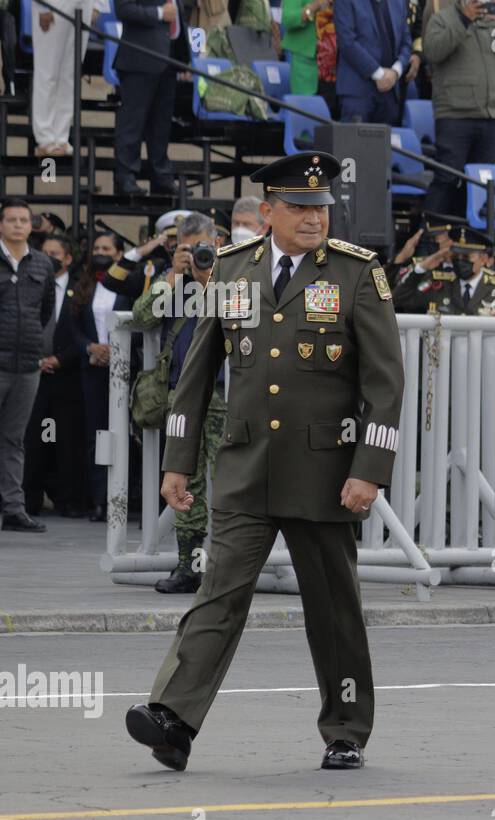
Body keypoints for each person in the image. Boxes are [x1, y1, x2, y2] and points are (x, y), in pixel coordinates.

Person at [124, 152, 405, 772]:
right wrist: (178, 460)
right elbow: (196, 375)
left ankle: (346, 729)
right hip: (246, 464)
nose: (314, 217)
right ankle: (173, 717)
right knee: (217, 594)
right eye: (300, 207)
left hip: (326, 473)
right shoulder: (231, 270)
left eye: (322, 207)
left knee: (332, 609)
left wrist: (369, 470)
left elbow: (385, 386)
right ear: (268, 211)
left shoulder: (358, 275)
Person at [129, 213, 228, 594]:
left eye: (204, 246)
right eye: (189, 249)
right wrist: (173, 276)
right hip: (181, 393)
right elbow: (142, 317)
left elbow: (244, 315)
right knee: (185, 482)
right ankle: (190, 567)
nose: (198, 254)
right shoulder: (171, 281)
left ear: (217, 242)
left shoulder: (237, 272)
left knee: (231, 481)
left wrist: (209, 279)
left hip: (224, 393)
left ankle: (230, 566)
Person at [423, 0, 495, 216]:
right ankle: (430, 238)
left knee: (479, 182)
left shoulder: (494, 25)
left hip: (491, 116)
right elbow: (433, 51)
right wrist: (464, 20)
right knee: (447, 179)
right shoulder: (443, 19)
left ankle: (466, 241)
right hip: (455, 116)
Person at [0, 199, 57, 532]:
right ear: (2, 224)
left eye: (24, 219)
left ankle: (13, 508)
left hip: (26, 366)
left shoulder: (42, 264)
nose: (19, 225)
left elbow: (45, 311)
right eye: (11, 219)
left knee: (13, 438)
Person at [70, 232, 134, 523]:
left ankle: (126, 498)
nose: (100, 252)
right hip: (93, 368)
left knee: (124, 434)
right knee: (97, 435)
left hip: (125, 369)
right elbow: (72, 326)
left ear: (119, 254)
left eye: (106, 248)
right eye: (96, 248)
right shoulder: (84, 286)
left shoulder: (130, 285)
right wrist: (90, 347)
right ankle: (99, 500)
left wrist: (116, 349)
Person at [22, 234, 84, 519]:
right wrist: (37, 359)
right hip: (34, 372)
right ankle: (29, 499)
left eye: (55, 253)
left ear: (68, 258)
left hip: (68, 375)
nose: (49, 257)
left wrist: (61, 358)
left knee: (67, 440)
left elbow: (86, 332)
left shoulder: (80, 288)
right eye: (44, 252)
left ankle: (69, 499)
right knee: (33, 439)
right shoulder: (30, 284)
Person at [113, 0, 188, 197]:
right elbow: (123, 9)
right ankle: (126, 177)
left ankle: (162, 176)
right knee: (132, 121)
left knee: (161, 124)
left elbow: (178, 14)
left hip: (169, 58)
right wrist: (159, 13)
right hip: (140, 57)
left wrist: (183, 59)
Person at [395, 227, 495, 314]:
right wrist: (421, 268)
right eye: (456, 256)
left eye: (466, 257)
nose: (460, 261)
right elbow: (398, 299)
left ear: (484, 259)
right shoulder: (439, 284)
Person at [333, 0, 412, 124]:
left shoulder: (399, 2)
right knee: (354, 143)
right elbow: (347, 42)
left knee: (386, 143)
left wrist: (395, 72)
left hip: (390, 93)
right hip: (358, 93)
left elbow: (406, 42)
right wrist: (379, 74)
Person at [31, 0, 93, 156]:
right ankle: (45, 138)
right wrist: (42, 6)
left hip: (84, 4)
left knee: (70, 74)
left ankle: (61, 136)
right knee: (48, 71)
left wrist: (99, 4)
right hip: (54, 3)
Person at [280, 0, 328, 95]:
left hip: (335, 63)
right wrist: (314, 6)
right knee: (306, 106)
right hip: (306, 60)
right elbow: (288, 19)